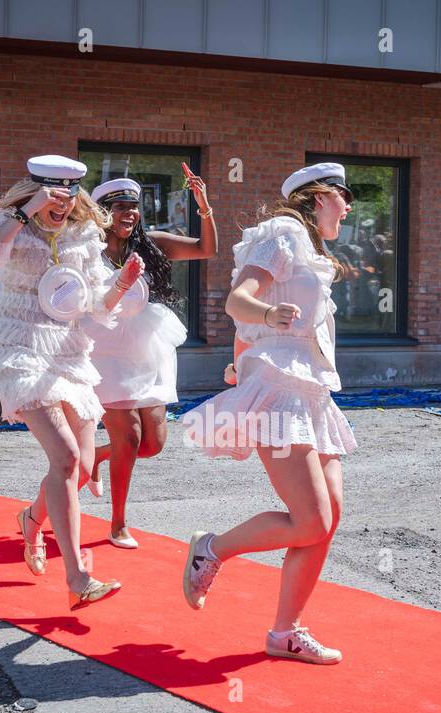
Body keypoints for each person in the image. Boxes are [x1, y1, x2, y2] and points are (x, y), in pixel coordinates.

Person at [180, 162, 357, 665]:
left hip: (313, 393)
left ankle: (285, 634)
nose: (347, 209)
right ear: (321, 195)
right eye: (344, 198)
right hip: (280, 391)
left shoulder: (312, 252)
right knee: (311, 519)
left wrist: (238, 361)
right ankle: (210, 549)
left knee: (328, 518)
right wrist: (265, 318)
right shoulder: (281, 232)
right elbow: (239, 302)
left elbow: (271, 327)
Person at [0, 155, 143, 610]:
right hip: (20, 348)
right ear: (38, 191)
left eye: (70, 197)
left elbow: (95, 303)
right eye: (54, 197)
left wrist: (121, 283)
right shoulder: (11, 222)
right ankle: (78, 577)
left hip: (68, 352)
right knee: (63, 459)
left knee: (80, 468)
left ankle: (30, 519)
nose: (63, 206)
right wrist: (26, 211)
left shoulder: (84, 235)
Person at [85, 169, 217, 548]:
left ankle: (97, 455)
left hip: (147, 347)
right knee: (129, 438)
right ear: (103, 211)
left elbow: (206, 250)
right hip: (106, 349)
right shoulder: (87, 251)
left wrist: (204, 207)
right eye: (120, 206)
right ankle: (118, 523)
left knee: (153, 443)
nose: (129, 213)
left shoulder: (150, 243)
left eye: (134, 207)